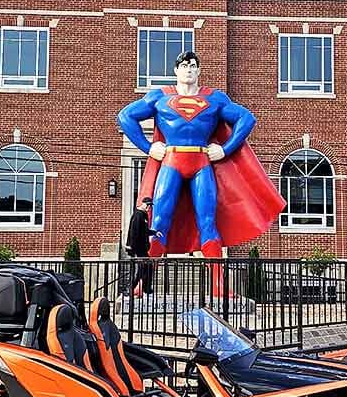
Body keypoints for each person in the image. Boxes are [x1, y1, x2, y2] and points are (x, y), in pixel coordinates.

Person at [117, 51, 284, 293]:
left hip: (201, 164)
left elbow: (246, 119)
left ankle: (218, 285)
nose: (188, 69)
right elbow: (125, 117)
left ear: (199, 71)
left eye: (193, 65)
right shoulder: (159, 97)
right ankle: (143, 282)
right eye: (184, 65)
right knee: (159, 220)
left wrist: (225, 149)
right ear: (176, 70)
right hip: (171, 162)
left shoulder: (214, 99)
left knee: (208, 222)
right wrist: (147, 147)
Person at [125, 197, 158, 296]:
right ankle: (132, 288)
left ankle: (145, 288)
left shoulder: (143, 216)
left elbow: (144, 231)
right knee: (143, 268)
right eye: (148, 206)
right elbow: (134, 232)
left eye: (150, 206)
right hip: (138, 248)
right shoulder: (138, 215)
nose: (149, 208)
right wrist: (131, 247)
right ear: (144, 204)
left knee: (146, 267)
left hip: (142, 248)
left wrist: (154, 233)